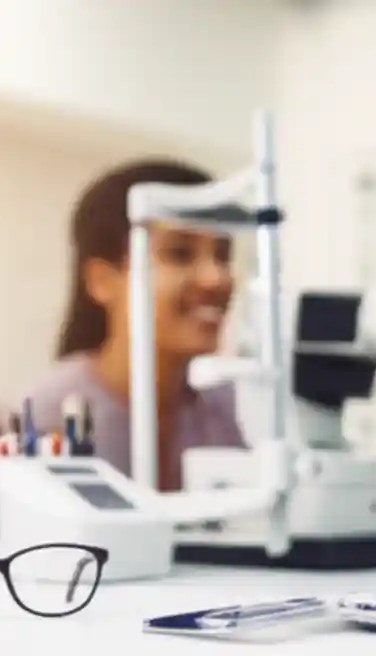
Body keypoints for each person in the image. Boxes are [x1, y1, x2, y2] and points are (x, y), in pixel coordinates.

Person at [25, 159, 245, 492]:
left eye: (223, 255)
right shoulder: (52, 416)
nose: (218, 278)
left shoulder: (231, 410)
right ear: (102, 281)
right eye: (180, 254)